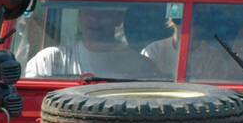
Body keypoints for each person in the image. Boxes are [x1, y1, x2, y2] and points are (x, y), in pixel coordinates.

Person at [24, 5, 162, 79]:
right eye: (88, 12)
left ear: (119, 18)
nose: (94, 19)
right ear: (80, 15)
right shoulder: (49, 61)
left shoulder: (142, 67)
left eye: (103, 13)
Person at [140, 3, 183, 78]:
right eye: (178, 19)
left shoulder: (209, 56)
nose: (184, 23)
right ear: (170, 20)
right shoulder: (153, 51)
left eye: (194, 19)